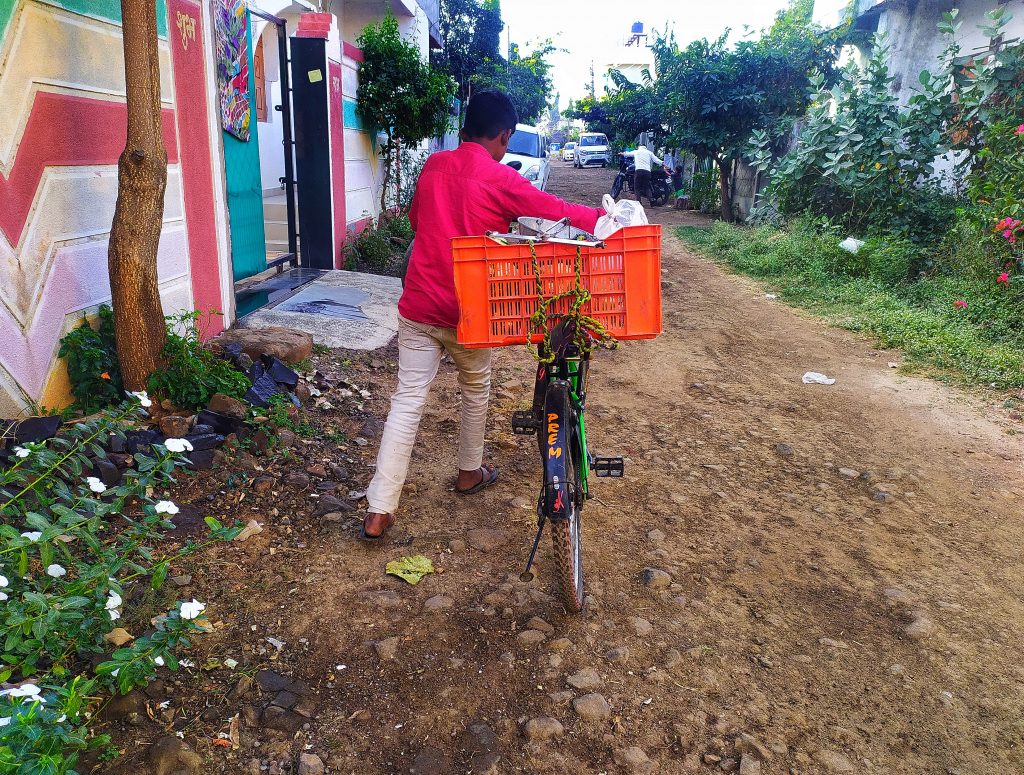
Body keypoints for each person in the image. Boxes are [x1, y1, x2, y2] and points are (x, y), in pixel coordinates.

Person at [360, 90, 604, 542]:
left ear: (465, 127)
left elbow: (416, 222)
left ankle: (379, 508)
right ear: (504, 135)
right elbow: (557, 212)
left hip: (418, 304)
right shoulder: (500, 178)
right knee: (475, 387)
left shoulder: (434, 166)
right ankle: (469, 471)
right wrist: (606, 218)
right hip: (469, 311)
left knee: (407, 399)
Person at [630, 143, 664, 207]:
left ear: (639, 147)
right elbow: (656, 160)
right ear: (645, 147)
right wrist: (662, 163)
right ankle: (651, 200)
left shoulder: (636, 151)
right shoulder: (649, 152)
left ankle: (639, 202)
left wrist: (622, 153)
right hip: (647, 172)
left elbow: (627, 154)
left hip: (639, 171)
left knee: (637, 187)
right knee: (646, 187)